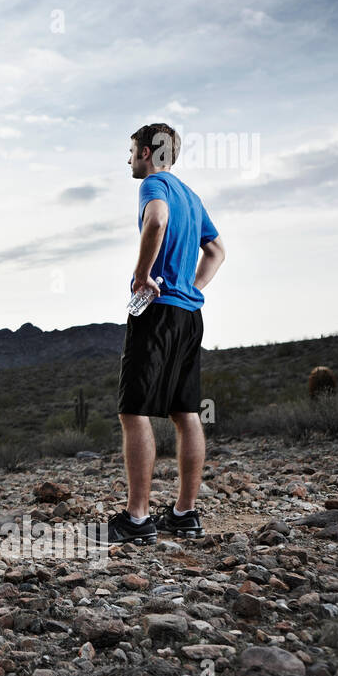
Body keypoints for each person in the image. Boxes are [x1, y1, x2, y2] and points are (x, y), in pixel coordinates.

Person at [104, 122, 226, 545]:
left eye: (131, 150)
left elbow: (155, 220)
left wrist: (142, 275)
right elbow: (217, 251)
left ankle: (137, 520)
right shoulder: (191, 196)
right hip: (189, 315)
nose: (128, 159)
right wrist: (193, 287)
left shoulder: (154, 185)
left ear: (146, 152)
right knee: (185, 411)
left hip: (157, 311)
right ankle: (184, 514)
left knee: (133, 411)